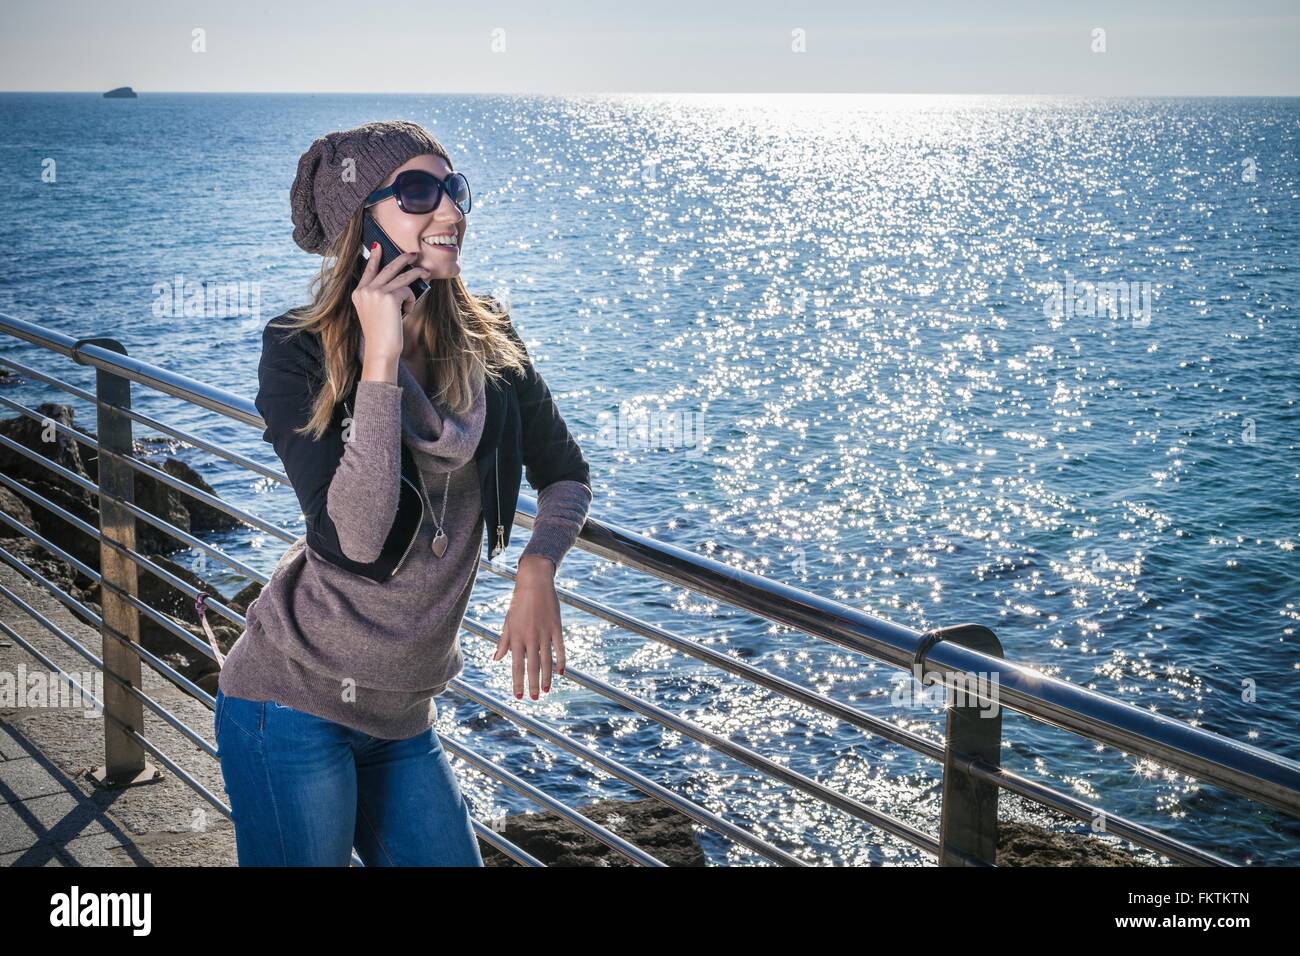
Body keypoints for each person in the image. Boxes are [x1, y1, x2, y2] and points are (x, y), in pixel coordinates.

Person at [213, 120, 593, 866]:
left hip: (405, 713)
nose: (449, 210)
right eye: (418, 193)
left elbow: (567, 472)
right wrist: (380, 360)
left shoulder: (492, 341)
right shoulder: (296, 351)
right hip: (290, 701)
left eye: (453, 190)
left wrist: (538, 566)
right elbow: (355, 535)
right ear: (363, 224)